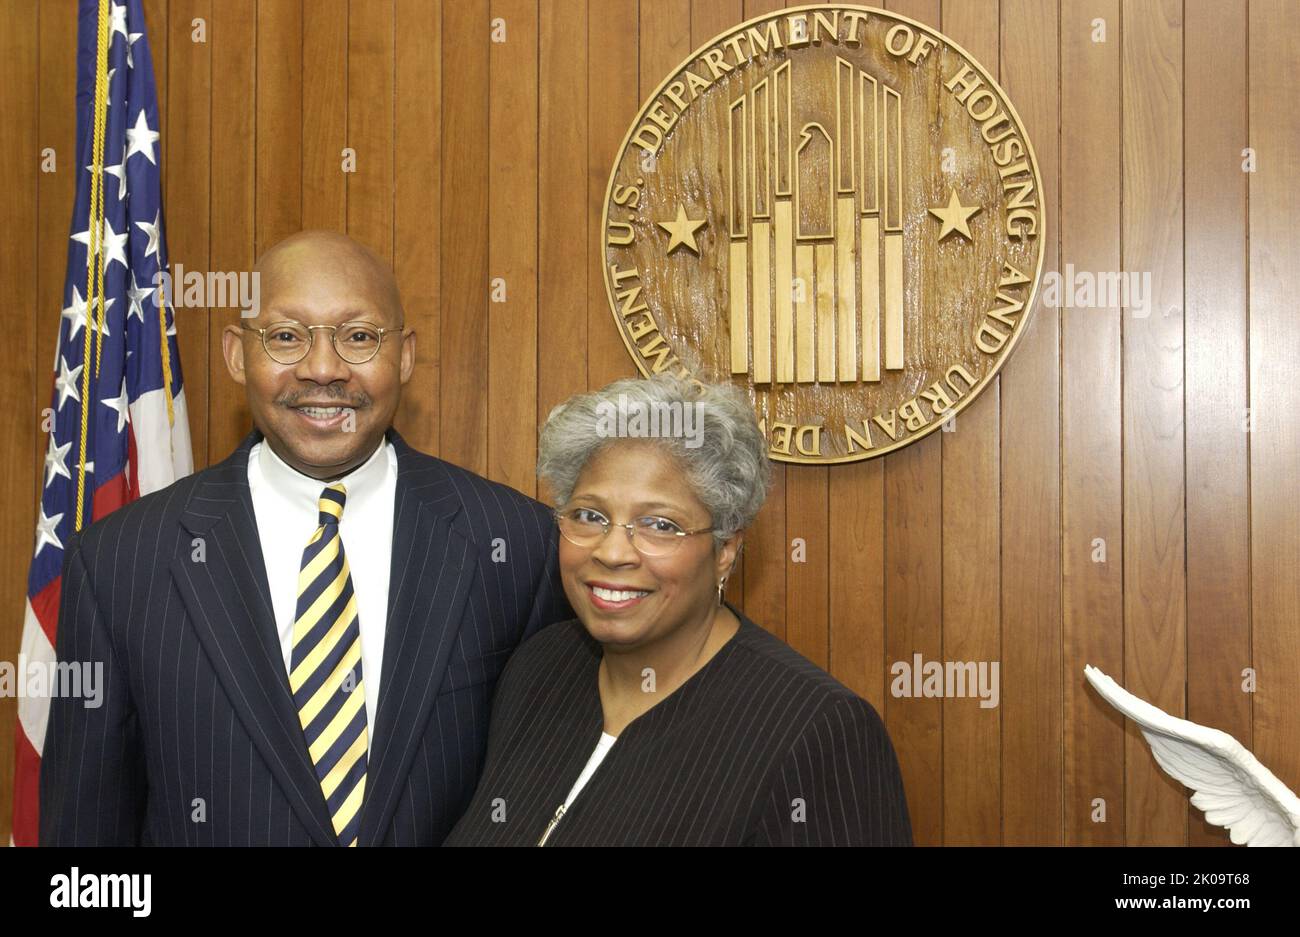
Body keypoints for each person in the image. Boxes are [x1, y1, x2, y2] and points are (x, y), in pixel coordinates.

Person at [39, 230, 571, 846]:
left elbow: (547, 801)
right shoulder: (118, 562)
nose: (324, 369)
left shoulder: (517, 545)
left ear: (404, 356)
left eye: (360, 337)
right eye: (286, 337)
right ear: (238, 354)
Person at [444, 374, 912, 846]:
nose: (612, 551)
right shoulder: (540, 668)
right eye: (589, 516)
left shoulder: (816, 730)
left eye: (660, 525)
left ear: (725, 549)